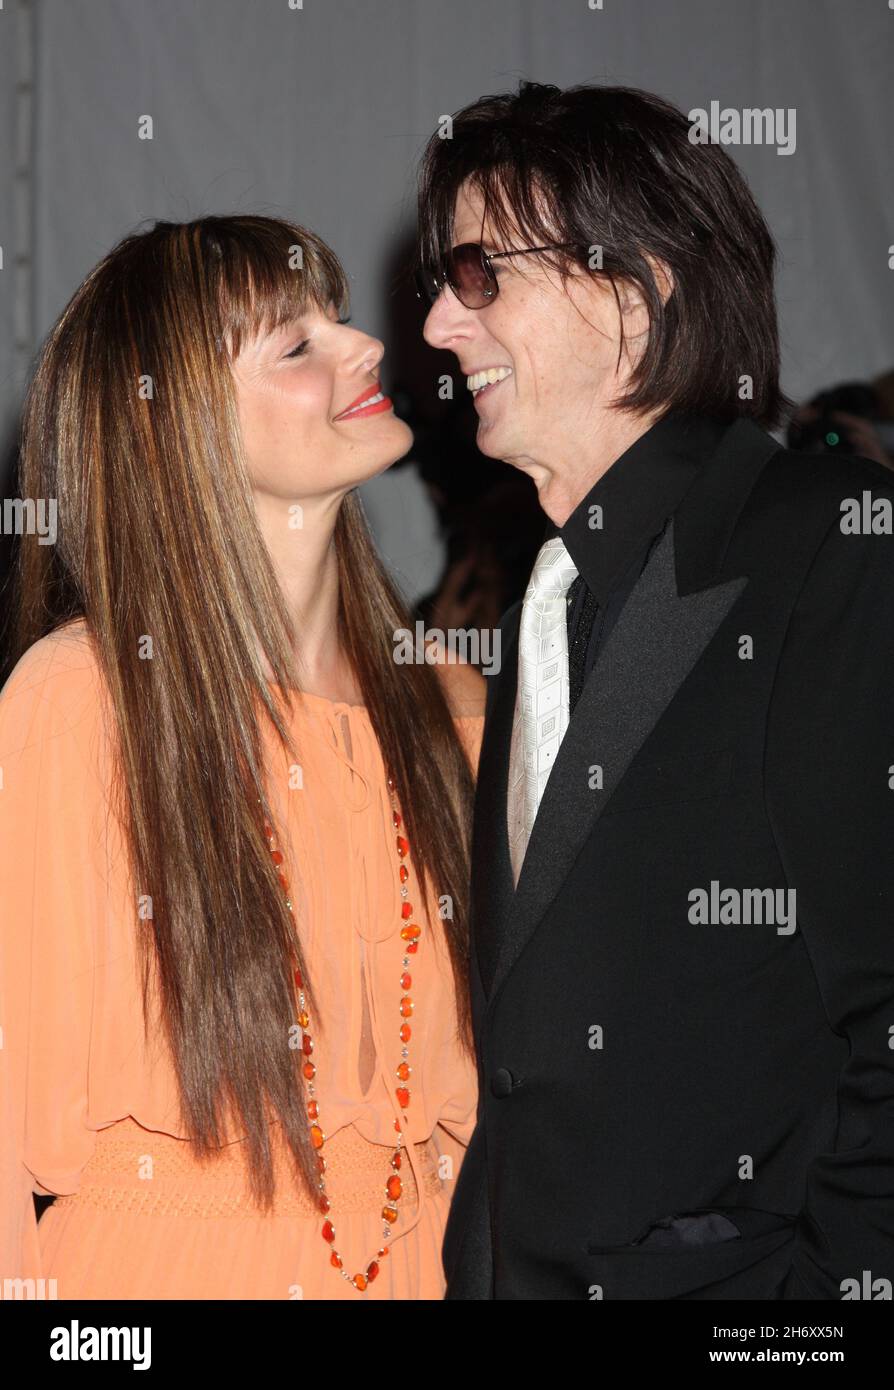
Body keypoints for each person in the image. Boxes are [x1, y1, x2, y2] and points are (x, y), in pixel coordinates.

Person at [414, 80, 894, 1300]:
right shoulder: (550, 591)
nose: (435, 327)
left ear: (633, 293)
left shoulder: (826, 547)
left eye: (479, 275)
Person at [0, 214, 485, 1300]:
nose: (364, 348)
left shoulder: (456, 705)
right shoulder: (81, 701)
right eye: (296, 344)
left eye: (339, 318)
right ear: (181, 425)